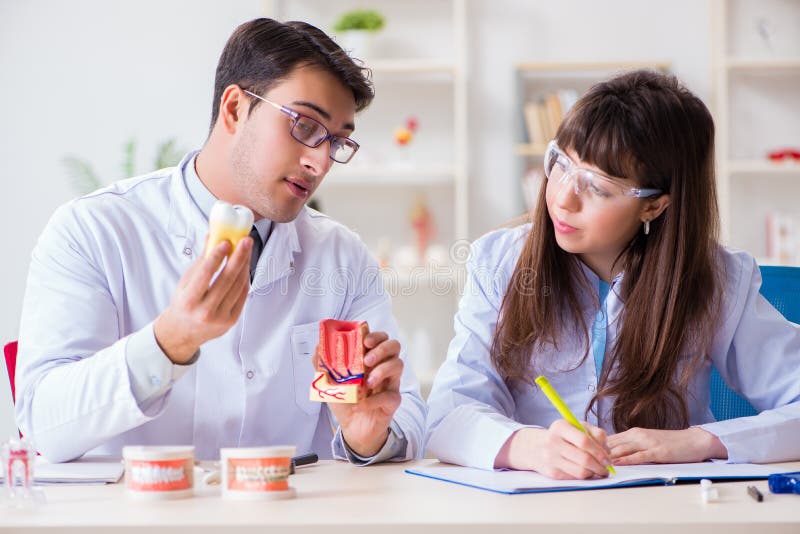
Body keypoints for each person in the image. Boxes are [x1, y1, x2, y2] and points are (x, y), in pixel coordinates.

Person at [15, 18, 425, 464]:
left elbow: (407, 416)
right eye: (306, 126)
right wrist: (168, 343)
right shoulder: (94, 230)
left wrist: (367, 438)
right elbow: (44, 423)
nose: (320, 161)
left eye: (337, 142)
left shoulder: (341, 255)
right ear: (234, 109)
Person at [425, 70, 800, 479]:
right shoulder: (500, 261)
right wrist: (526, 446)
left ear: (654, 206)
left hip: (668, 507)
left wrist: (699, 440)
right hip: (536, 507)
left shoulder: (717, 276)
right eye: (561, 165)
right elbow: (447, 414)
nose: (563, 198)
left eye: (598, 188)